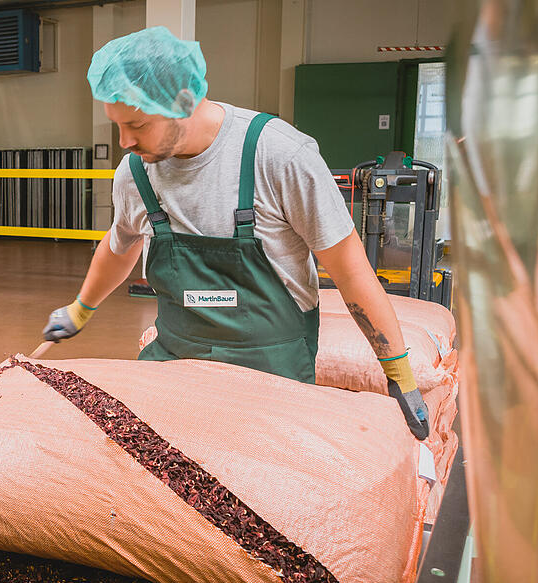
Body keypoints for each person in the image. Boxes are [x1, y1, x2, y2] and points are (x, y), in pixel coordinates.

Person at [42, 27, 429, 439]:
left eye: (137, 124)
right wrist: (81, 309)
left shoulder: (278, 156)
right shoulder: (136, 173)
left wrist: (399, 373)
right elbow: (121, 246)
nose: (124, 141)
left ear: (184, 101)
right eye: (117, 126)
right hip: (177, 359)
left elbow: (350, 268)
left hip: (271, 367)